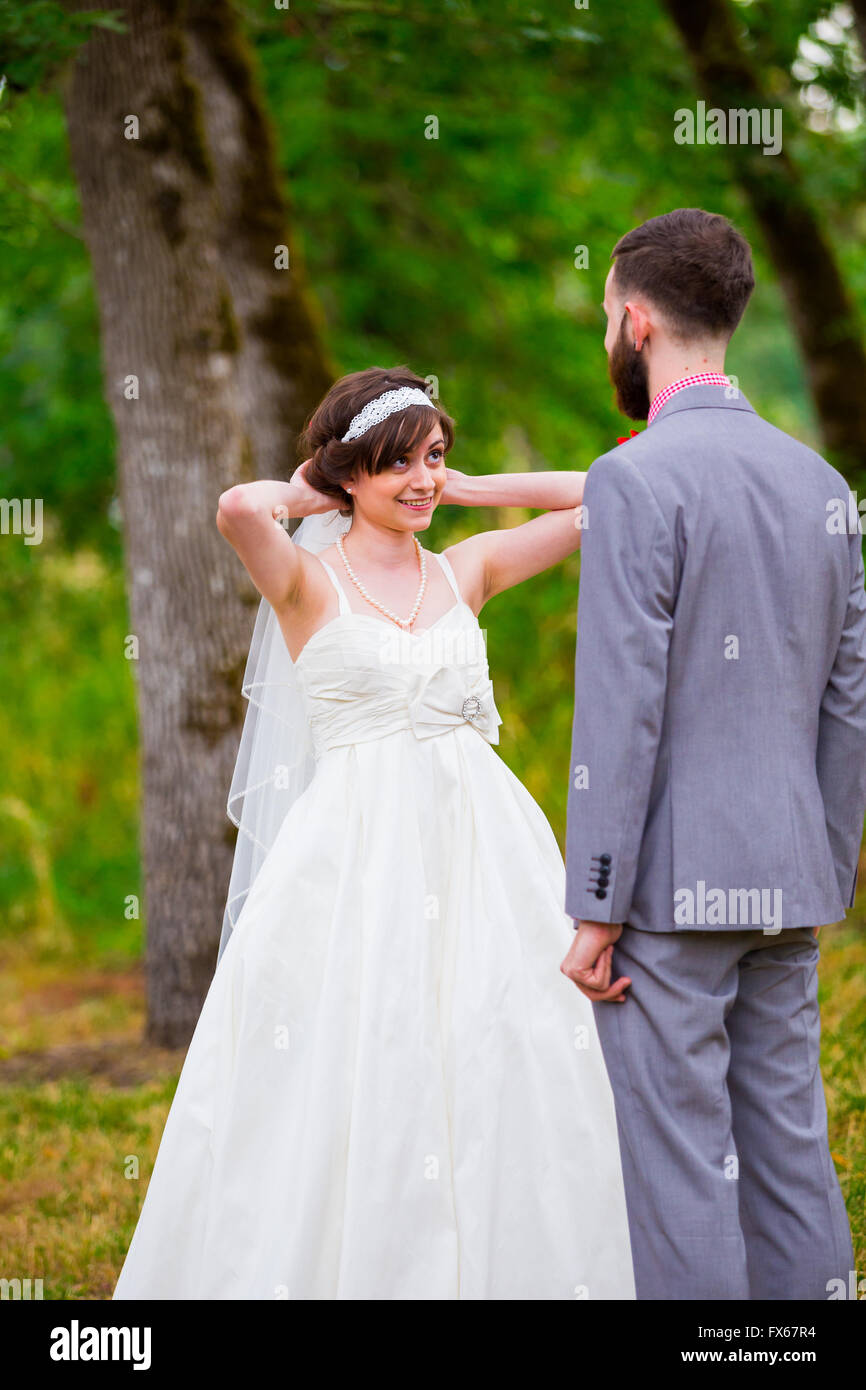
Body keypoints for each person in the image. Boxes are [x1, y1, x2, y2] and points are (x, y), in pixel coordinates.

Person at [112, 365, 635, 1300]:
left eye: (433, 458)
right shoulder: (307, 582)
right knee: (357, 1044)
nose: (424, 481)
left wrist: (469, 486)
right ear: (349, 473)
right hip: (352, 851)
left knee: (493, 1037)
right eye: (399, 465)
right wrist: (313, 486)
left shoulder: (466, 568)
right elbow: (239, 507)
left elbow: (606, 492)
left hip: (482, 845)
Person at [561, 208, 866, 1301]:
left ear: (634, 321)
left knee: (680, 1166)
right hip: (789, 881)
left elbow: (619, 711)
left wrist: (595, 908)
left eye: (606, 315)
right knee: (789, 1155)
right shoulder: (822, 487)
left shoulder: (631, 479)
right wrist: (823, 869)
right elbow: (848, 703)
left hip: (663, 898)